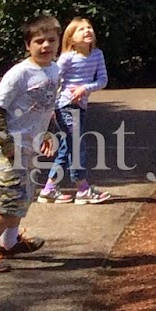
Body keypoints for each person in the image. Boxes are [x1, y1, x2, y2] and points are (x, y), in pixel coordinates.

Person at [0, 13, 62, 273]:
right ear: (28, 45)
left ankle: (9, 243)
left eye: (51, 40)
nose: (46, 45)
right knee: (11, 202)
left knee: (25, 198)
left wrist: (47, 133)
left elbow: (46, 108)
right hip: (11, 149)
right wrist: (7, 144)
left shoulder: (54, 70)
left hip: (30, 147)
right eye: (39, 41)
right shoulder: (19, 73)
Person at [39, 16, 115, 204]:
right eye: (81, 29)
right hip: (65, 105)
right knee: (76, 145)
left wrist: (84, 89)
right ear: (71, 39)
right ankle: (82, 188)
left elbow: (103, 80)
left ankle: (49, 189)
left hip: (80, 106)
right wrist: (49, 107)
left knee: (67, 148)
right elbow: (53, 81)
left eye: (89, 27)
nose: (87, 31)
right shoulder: (67, 58)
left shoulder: (97, 54)